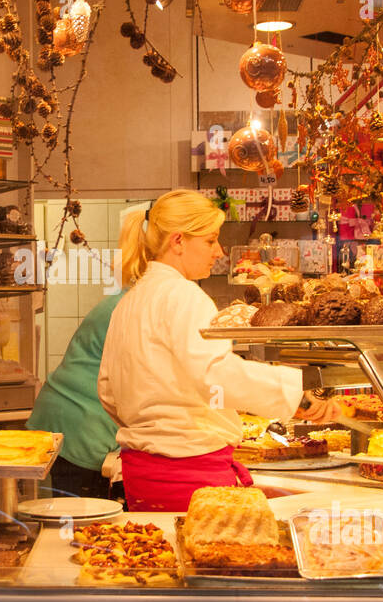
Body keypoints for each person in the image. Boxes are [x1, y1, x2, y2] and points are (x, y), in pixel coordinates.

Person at [98, 190, 304, 511]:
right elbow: (214, 377)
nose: (219, 251)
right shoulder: (184, 295)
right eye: (210, 241)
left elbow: (109, 391)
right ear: (178, 241)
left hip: (141, 473)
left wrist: (155, 422)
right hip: (190, 475)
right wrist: (296, 394)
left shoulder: (130, 300)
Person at [28, 290, 126, 500]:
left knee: (66, 520)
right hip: (85, 422)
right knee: (82, 524)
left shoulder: (121, 300)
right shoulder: (139, 307)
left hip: (63, 411)